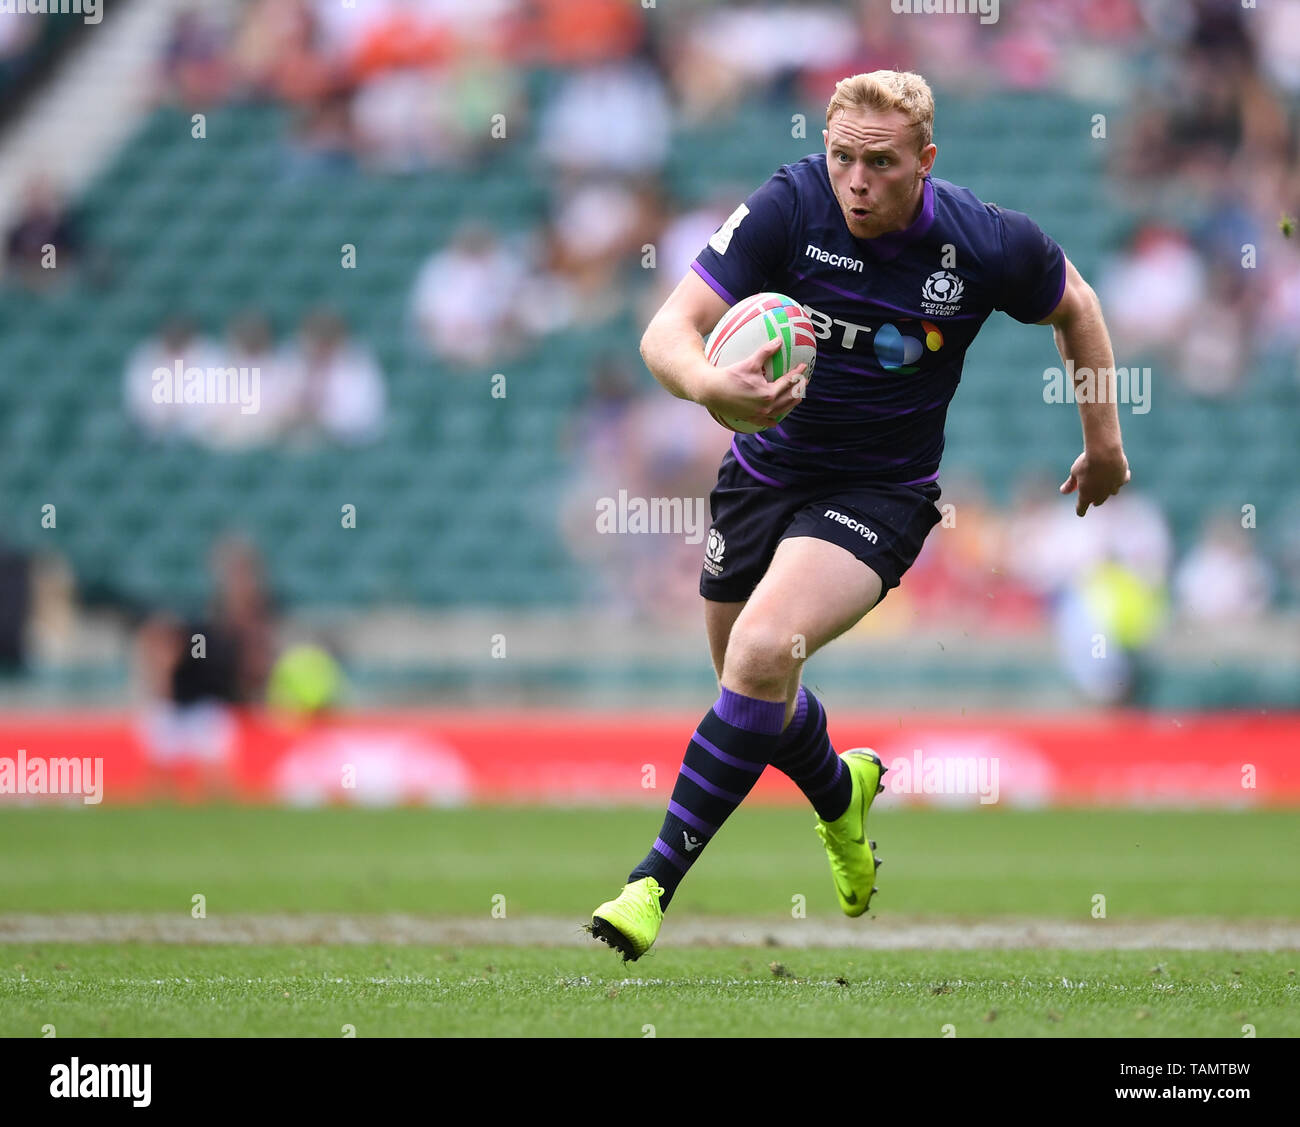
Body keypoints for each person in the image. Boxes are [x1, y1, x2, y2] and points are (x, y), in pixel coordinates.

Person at [588, 70, 1131, 961]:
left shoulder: (982, 241)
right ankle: (841, 791)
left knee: (762, 655)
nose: (856, 181)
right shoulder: (789, 206)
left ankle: (650, 883)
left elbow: (1078, 305)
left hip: (880, 494)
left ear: (926, 160)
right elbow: (666, 332)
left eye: (880, 162)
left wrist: (1103, 439)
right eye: (842, 157)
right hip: (761, 477)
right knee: (750, 683)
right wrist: (709, 383)